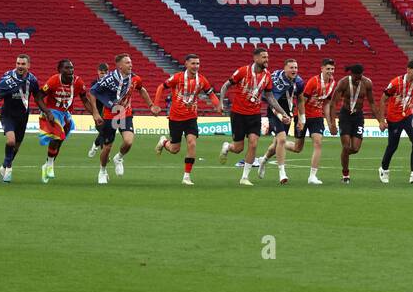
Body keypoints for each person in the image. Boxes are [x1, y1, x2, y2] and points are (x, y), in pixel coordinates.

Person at [0, 54, 49, 184]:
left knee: (16, 147)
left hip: (23, 116)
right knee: (11, 141)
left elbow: (37, 97)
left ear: (28, 65)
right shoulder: (8, 77)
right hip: (8, 115)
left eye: (23, 64)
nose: (20, 66)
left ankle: (4, 166)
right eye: (18, 63)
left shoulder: (33, 80)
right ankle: (9, 169)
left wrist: (44, 111)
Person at [87, 54, 156, 184]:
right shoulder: (109, 79)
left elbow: (141, 89)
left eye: (131, 62)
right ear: (119, 66)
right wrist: (95, 113)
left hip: (125, 112)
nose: (131, 65)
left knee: (128, 141)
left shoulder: (135, 79)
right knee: (107, 148)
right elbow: (92, 92)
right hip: (110, 114)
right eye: (127, 63)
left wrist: (151, 105)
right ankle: (102, 171)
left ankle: (118, 158)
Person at [153, 54, 220, 185]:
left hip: (191, 117)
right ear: (186, 64)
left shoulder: (201, 80)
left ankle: (186, 176)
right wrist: (156, 104)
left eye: (198, 64)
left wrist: (217, 105)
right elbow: (161, 87)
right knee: (174, 149)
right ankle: (164, 142)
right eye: (193, 63)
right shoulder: (177, 78)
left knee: (192, 143)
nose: (196, 66)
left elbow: (211, 94)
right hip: (176, 118)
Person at [219, 47, 274, 187]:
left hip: (255, 114)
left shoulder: (267, 76)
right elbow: (225, 86)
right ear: (255, 58)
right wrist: (220, 103)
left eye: (267, 57)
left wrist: (283, 113)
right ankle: (227, 146)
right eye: (263, 57)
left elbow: (269, 96)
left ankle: (244, 177)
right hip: (238, 114)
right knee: (238, 148)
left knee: (254, 143)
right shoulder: (243, 71)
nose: (266, 60)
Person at [41, 59, 97, 183]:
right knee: (57, 137)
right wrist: (47, 112)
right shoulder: (53, 80)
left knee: (60, 141)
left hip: (66, 113)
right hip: (52, 111)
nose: (70, 70)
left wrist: (95, 114)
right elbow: (39, 96)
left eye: (71, 68)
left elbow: (85, 100)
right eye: (67, 68)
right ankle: (50, 164)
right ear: (60, 70)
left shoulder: (78, 82)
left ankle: (47, 164)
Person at [326, 64, 383, 184]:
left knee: (355, 149)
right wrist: (332, 124)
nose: (358, 78)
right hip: (345, 115)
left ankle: (343, 155)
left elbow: (372, 103)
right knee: (346, 147)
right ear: (351, 74)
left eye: (360, 76)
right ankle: (345, 174)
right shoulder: (343, 83)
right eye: (356, 76)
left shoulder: (367, 83)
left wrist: (381, 121)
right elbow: (332, 103)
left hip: (358, 116)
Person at [379, 60, 413, 185]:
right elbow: (382, 100)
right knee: (393, 146)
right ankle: (384, 169)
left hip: (409, 115)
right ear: (408, 69)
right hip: (394, 118)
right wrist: (382, 120)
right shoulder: (395, 83)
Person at [252, 58, 303, 185]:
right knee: (281, 139)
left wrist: (301, 118)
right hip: (274, 112)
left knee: (276, 145)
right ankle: (282, 173)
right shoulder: (275, 79)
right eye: (291, 67)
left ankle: (263, 160)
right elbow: (268, 97)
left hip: (288, 114)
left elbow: (301, 100)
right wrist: (280, 114)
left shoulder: (299, 82)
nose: (294, 70)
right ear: (285, 68)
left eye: (296, 67)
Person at [294, 59, 337, 185]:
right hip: (303, 115)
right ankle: (278, 144)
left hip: (317, 116)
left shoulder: (333, 83)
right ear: (322, 68)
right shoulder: (313, 81)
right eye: (328, 69)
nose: (330, 71)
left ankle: (312, 176)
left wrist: (329, 123)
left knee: (318, 143)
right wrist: (301, 119)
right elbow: (302, 101)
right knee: (297, 148)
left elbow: (327, 104)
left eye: (332, 69)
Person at [86, 62, 111, 158]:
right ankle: (104, 153)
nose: (103, 74)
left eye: (105, 72)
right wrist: (94, 111)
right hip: (98, 110)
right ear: (98, 72)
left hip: (108, 110)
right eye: (101, 72)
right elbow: (92, 97)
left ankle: (94, 145)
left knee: (105, 132)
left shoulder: (111, 82)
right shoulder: (94, 83)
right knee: (103, 131)